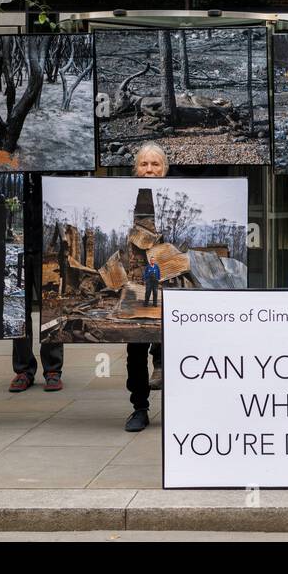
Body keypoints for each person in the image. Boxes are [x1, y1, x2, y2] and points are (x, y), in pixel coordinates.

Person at [125, 141, 169, 432]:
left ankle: (178, 405)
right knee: (135, 345)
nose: (149, 169)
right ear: (135, 169)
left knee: (172, 344)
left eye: (155, 164)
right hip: (139, 278)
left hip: (167, 276)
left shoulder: (174, 198)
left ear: (165, 170)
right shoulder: (129, 197)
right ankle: (139, 406)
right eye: (144, 164)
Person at [10, 168, 65, 394]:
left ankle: (53, 370)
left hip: (48, 249)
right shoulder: (13, 173)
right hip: (19, 248)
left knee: (51, 309)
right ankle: (23, 370)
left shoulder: (55, 173)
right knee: (18, 312)